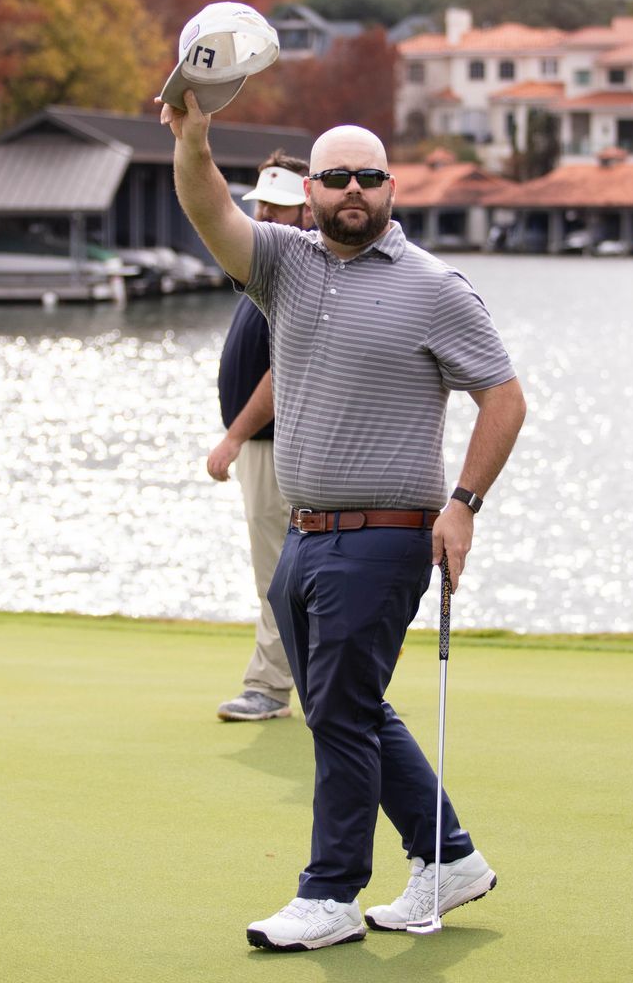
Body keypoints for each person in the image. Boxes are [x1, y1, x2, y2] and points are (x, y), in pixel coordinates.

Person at [163, 92, 528, 952]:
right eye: (336, 178)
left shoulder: (435, 288)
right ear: (312, 190)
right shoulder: (283, 264)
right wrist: (194, 138)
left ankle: (329, 895)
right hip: (306, 532)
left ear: (392, 187)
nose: (353, 190)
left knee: (341, 710)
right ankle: (450, 857)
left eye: (369, 176)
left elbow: (504, 401)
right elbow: (207, 202)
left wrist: (464, 507)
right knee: (348, 706)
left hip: (389, 534)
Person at [209, 150, 313, 723]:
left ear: (307, 212)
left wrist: (232, 439)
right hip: (266, 446)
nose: (267, 214)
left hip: (275, 445)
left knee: (279, 575)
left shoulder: (296, 272)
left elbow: (283, 373)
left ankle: (270, 689)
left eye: (281, 207)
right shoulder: (266, 269)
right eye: (263, 205)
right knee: (283, 572)